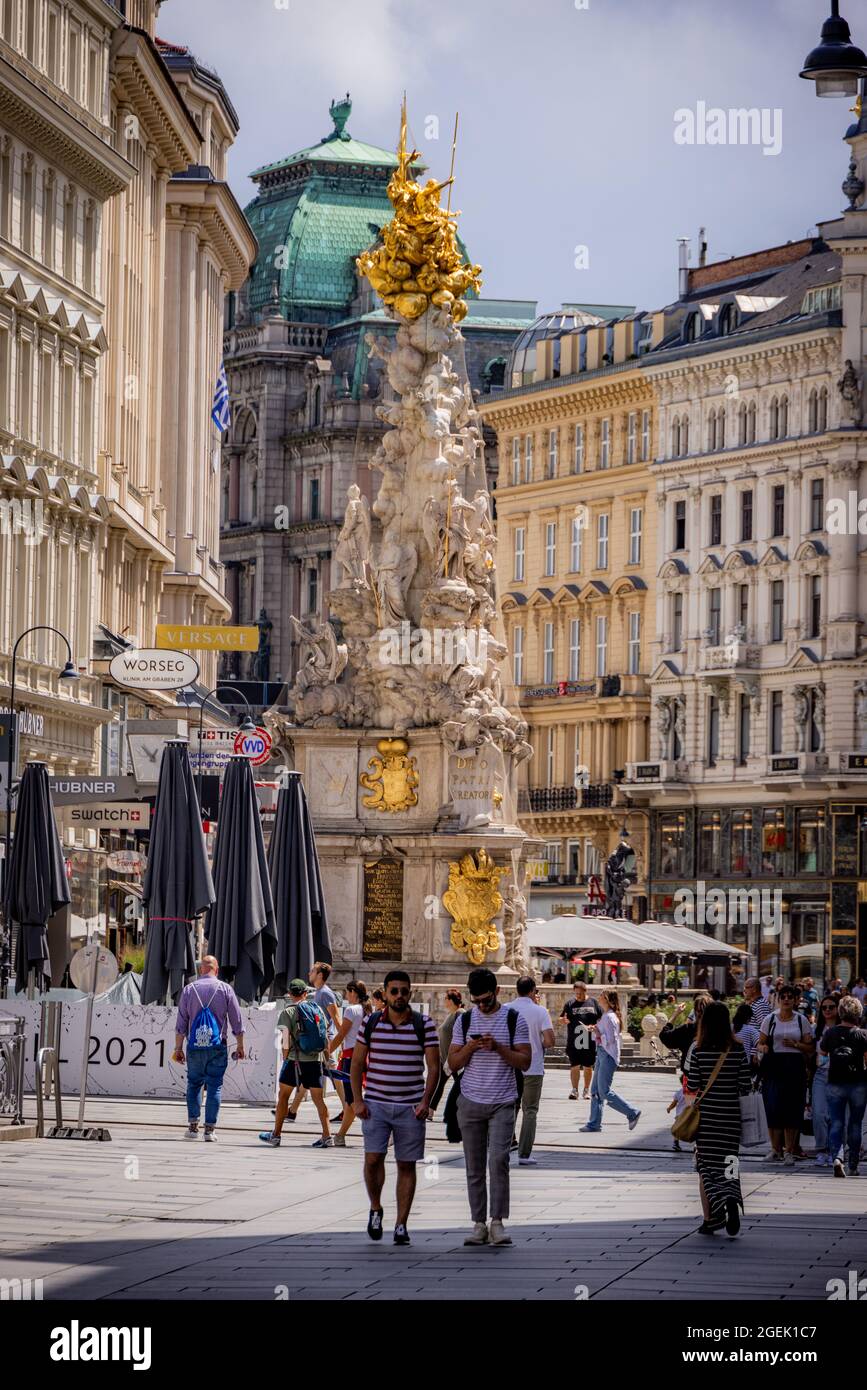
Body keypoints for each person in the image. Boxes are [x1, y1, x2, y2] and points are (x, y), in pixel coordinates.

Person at [350, 970, 440, 1246]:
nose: (399, 996)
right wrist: (357, 1099)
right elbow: (356, 1063)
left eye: (404, 991)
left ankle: (401, 1224)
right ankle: (376, 1208)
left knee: (406, 1163)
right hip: (375, 1103)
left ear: (410, 993)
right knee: (372, 1159)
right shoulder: (372, 1022)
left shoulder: (423, 1024)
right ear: (385, 993)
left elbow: (434, 1066)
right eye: (394, 991)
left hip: (410, 1106)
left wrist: (426, 1102)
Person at [448, 967, 531, 1246]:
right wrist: (471, 1048)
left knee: (498, 1160)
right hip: (470, 1099)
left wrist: (497, 1048)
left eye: (486, 1000)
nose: (482, 1006)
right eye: (477, 1001)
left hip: (503, 1100)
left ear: (497, 992)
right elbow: (453, 1063)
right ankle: (478, 1224)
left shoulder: (513, 1018)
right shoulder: (465, 1020)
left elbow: (525, 1062)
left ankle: (497, 1222)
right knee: (473, 1165)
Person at [685, 1001, 753, 1236]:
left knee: (706, 1166)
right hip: (731, 1117)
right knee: (730, 1161)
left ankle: (711, 1218)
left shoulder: (699, 1050)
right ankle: (732, 1198)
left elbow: (692, 1085)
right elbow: (746, 1084)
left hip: (708, 1119)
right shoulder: (737, 1049)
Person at [173, 956, 245, 1141]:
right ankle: (210, 1130)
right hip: (216, 1046)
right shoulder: (225, 989)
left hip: (195, 1046)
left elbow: (181, 1022)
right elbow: (237, 1020)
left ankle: (192, 1127)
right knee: (215, 1086)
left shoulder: (189, 990)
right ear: (217, 969)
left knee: (194, 1084)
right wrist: (240, 1045)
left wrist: (178, 1048)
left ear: (200, 970)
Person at [259, 979, 332, 1148]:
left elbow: (285, 1041)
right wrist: (327, 1059)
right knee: (319, 1100)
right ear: (305, 993)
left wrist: (286, 1058)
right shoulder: (317, 1009)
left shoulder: (288, 1011)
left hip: (295, 1060)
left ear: (290, 994)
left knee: (283, 1096)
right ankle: (327, 1135)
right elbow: (325, 1035)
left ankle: (276, 1135)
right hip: (316, 1060)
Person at [757, 982, 815, 1165]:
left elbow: (811, 1047)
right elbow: (760, 1042)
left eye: (791, 997)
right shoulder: (770, 1019)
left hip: (794, 1066)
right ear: (778, 999)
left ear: (796, 1000)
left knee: (792, 1109)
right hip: (773, 1066)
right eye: (783, 996)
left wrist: (796, 1045)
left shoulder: (801, 1020)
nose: (787, 999)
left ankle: (789, 1150)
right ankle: (775, 1149)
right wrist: (764, 1047)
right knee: (773, 1107)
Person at [579, 991, 641, 1134]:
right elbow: (603, 1036)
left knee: (604, 1091)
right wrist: (595, 1030)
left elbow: (612, 1039)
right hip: (602, 1054)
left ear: (607, 1000)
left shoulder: (610, 1017)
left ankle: (632, 1112)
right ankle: (594, 1123)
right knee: (595, 1091)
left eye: (601, 996)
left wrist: (599, 1034)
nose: (598, 998)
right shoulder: (606, 1017)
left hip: (608, 1055)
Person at [820, 994, 867, 1178]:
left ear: (840, 1013)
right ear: (858, 1013)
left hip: (835, 1082)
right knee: (855, 1124)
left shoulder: (830, 1033)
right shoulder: (863, 1034)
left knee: (836, 1122)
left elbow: (822, 1051)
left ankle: (837, 1158)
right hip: (858, 1083)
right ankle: (853, 1165)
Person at [509, 976, 555, 1165]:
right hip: (533, 1066)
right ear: (532, 991)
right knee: (530, 1110)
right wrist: (539, 1044)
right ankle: (524, 1154)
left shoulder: (506, 1009)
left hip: (510, 1065)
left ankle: (503, 1146)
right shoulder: (540, 1011)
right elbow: (550, 1041)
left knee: (509, 1106)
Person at [326, 979, 372, 1146]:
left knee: (352, 1100)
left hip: (350, 1058)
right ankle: (340, 1136)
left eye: (347, 992)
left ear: (353, 992)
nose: (346, 995)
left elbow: (341, 1035)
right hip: (362, 1056)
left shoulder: (351, 1011)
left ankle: (377, 1128)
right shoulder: (367, 1010)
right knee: (350, 1100)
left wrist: (327, 1051)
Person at [560, 981, 602, 1099]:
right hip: (574, 1040)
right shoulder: (570, 1004)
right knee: (574, 1065)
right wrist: (562, 1020)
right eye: (576, 993)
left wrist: (594, 1027)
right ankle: (574, 1090)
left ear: (585, 991)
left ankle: (586, 1090)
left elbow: (601, 1019)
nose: (577, 996)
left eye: (580, 993)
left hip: (589, 1040)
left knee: (588, 1066)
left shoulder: (593, 1003)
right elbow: (561, 1017)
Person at [812, 994, 841, 1168]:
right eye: (824, 1008)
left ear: (838, 1009)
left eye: (831, 1007)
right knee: (819, 1114)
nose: (828, 1010)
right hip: (821, 1074)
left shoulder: (844, 1028)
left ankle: (834, 1150)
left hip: (840, 1076)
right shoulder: (816, 1028)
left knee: (835, 1116)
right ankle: (821, 1150)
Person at [429, 989, 462, 1119]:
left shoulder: (459, 1013)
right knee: (439, 1084)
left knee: (458, 1087)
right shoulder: (451, 1014)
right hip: (445, 1059)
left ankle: (453, 1112)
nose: (444, 1001)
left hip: (452, 1059)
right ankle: (430, 1110)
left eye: (446, 999)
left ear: (451, 1000)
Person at [659, 993, 712, 1071]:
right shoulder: (720, 1031)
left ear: (695, 1012)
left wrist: (675, 1014)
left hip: (691, 1076)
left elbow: (664, 1036)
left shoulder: (688, 1029)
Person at [732, 1002, 760, 1069]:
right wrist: (756, 1054)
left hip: (728, 1063)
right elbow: (760, 1044)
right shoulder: (751, 1030)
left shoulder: (728, 1028)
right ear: (749, 1018)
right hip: (743, 1065)